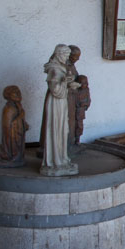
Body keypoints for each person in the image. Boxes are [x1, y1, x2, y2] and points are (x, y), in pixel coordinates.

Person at [40, 44, 80, 176]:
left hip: (61, 102)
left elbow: (60, 86)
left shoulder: (60, 68)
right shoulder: (54, 69)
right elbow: (55, 90)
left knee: (63, 130)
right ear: (58, 54)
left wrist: (68, 84)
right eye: (66, 55)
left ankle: (62, 159)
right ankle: (54, 161)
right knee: (56, 129)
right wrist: (65, 82)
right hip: (55, 103)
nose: (67, 58)